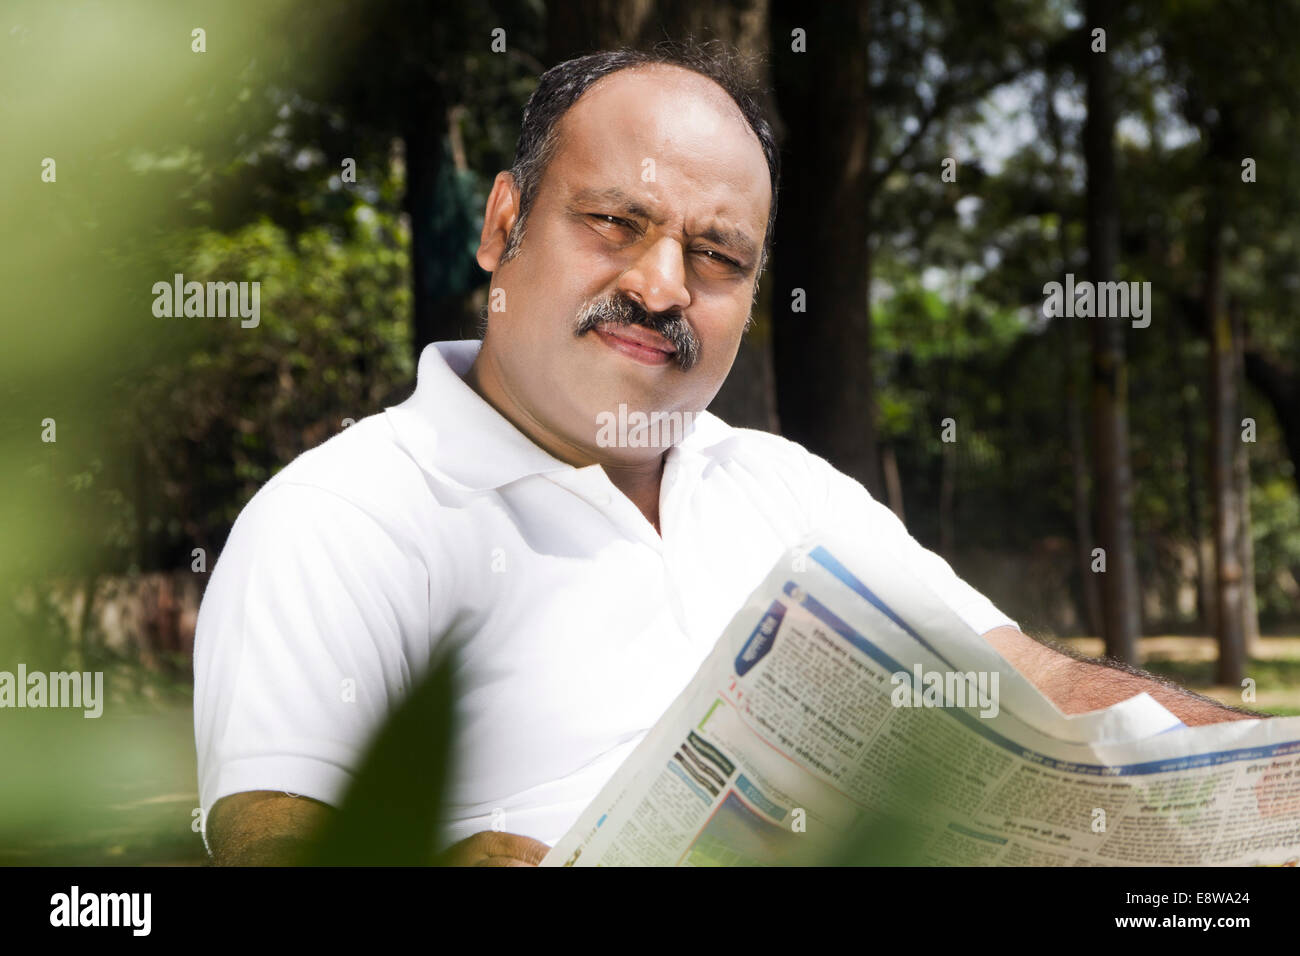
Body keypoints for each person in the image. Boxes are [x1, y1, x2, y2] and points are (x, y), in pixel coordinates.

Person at [194, 43, 1261, 867]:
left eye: (717, 254)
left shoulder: (783, 486)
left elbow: (1031, 679)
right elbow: (276, 834)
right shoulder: (343, 515)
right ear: (502, 225)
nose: (662, 287)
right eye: (615, 221)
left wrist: (1267, 767)